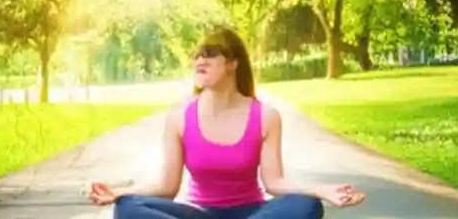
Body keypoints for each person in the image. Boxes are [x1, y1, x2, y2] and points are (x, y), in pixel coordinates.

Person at [88, 28, 365, 218]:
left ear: (232, 64)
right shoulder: (179, 118)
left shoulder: (265, 116)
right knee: (129, 208)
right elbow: (167, 187)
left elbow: (275, 182)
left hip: (253, 213)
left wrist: (323, 191)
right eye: (197, 56)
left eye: (210, 55)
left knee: (306, 207)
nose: (200, 61)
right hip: (198, 214)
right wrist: (119, 192)